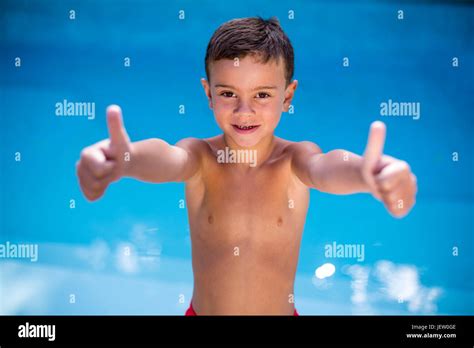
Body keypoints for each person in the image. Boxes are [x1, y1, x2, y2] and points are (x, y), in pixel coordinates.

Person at [76, 17, 417, 315]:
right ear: (208, 93)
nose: (244, 111)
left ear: (288, 96)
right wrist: (126, 159)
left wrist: (364, 173)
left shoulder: (295, 160)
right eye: (228, 94)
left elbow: (326, 168)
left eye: (262, 95)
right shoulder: (201, 158)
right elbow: (167, 159)